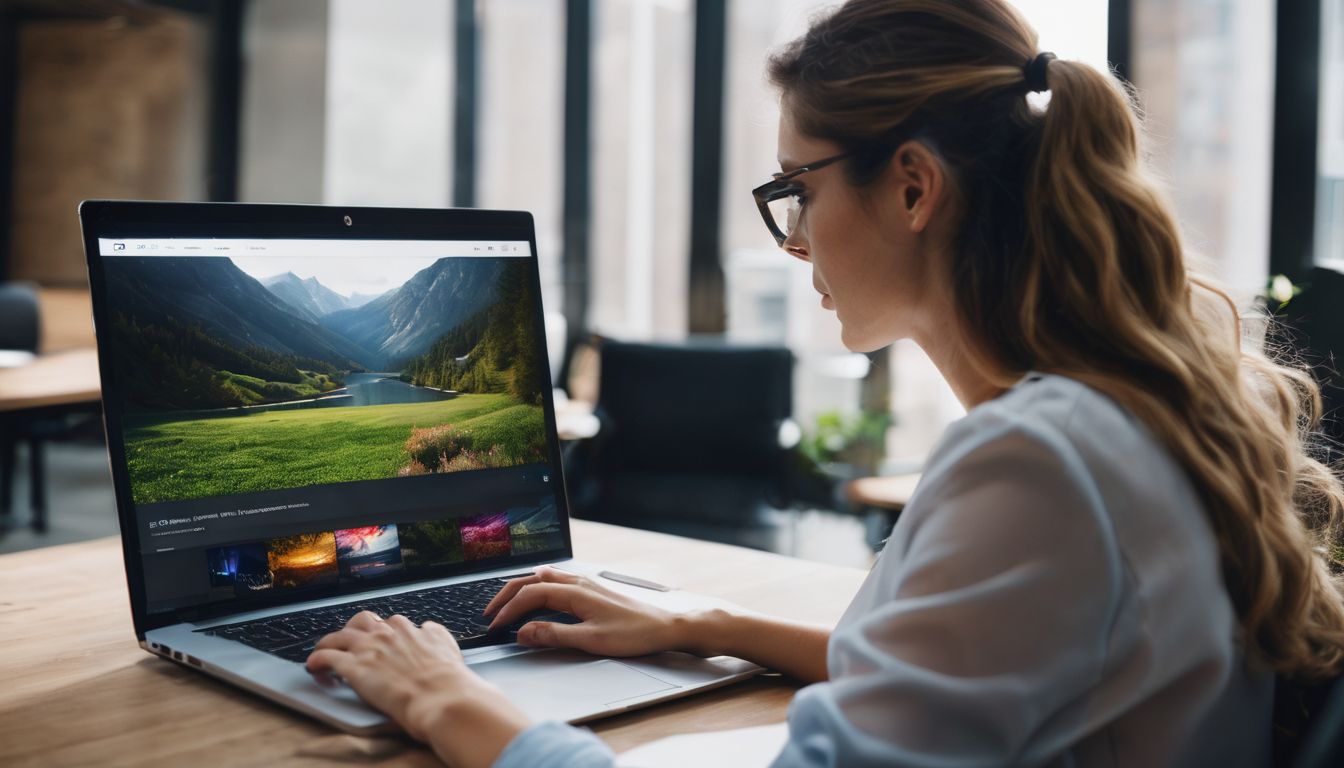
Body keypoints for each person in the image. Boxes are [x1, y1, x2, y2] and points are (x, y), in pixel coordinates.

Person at [305, 1, 1344, 765]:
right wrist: (703, 624)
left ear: (911, 186)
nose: (794, 243)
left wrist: (446, 700)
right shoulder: (1112, 420)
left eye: (794, 191)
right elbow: (965, 674)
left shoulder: (1043, 459)